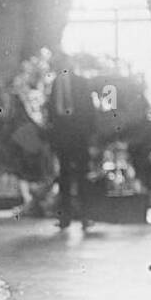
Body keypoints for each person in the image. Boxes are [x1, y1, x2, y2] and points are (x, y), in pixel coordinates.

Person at [46, 52, 99, 230]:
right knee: (64, 177)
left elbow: (89, 110)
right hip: (62, 136)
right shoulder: (55, 84)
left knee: (83, 175)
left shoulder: (82, 82)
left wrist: (91, 136)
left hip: (79, 136)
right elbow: (52, 112)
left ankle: (86, 216)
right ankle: (65, 217)